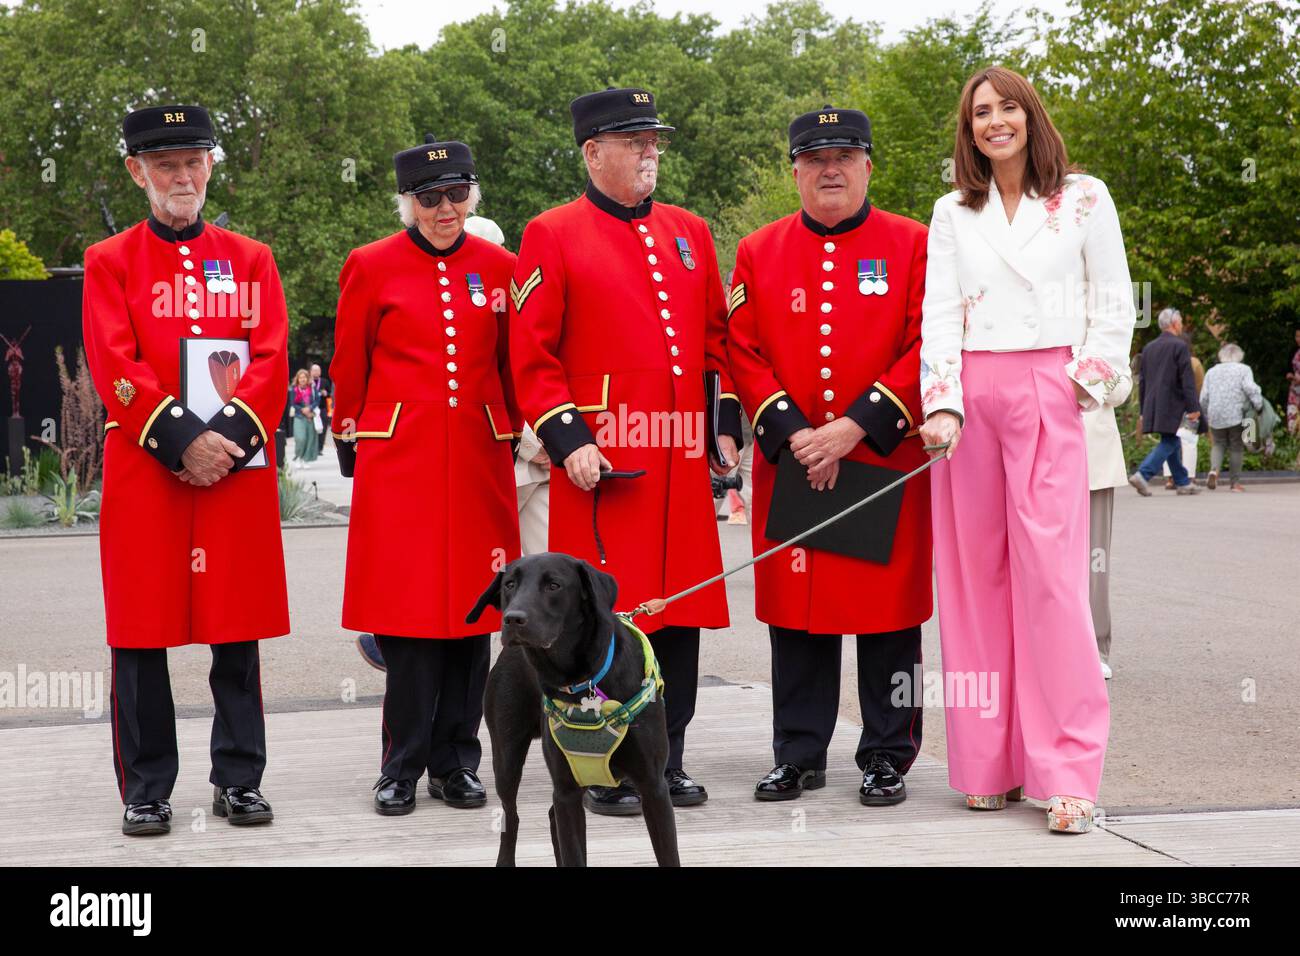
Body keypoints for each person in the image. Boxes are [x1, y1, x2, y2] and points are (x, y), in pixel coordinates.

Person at [510, 86, 742, 816]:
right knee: (610, 621)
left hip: (678, 464)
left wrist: (722, 423)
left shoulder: (690, 230)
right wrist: (568, 437)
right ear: (592, 152)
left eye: (654, 140)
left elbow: (714, 342)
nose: (651, 152)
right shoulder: (551, 232)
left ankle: (663, 760)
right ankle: (601, 765)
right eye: (635, 140)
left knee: (681, 619)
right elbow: (532, 353)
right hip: (607, 466)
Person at [919, 67, 1135, 833]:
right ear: (968, 128)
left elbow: (1114, 299)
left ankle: (1069, 771)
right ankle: (987, 763)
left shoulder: (1084, 196)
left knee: (1052, 583)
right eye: (980, 112)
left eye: (1007, 107)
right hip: (970, 401)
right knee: (974, 581)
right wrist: (940, 402)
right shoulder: (953, 211)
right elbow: (939, 312)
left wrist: (1088, 378)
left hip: (1052, 385)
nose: (994, 121)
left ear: (1029, 115)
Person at [82, 104, 289, 835]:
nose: (181, 175)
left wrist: (224, 439)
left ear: (210, 166)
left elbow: (270, 356)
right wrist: (180, 441)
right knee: (141, 636)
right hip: (148, 470)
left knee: (238, 630)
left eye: (192, 160)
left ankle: (240, 780)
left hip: (234, 470)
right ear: (137, 172)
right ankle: (146, 788)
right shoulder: (110, 261)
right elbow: (115, 364)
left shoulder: (252, 258)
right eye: (164, 164)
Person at [727, 107, 931, 806]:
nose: (831, 169)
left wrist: (853, 427)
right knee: (798, 617)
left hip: (879, 459)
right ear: (795, 172)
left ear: (869, 165)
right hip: (795, 460)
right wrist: (793, 432)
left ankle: (886, 755)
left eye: (845, 155)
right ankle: (800, 753)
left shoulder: (913, 244)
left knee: (889, 619)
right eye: (815, 159)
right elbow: (740, 350)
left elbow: (925, 345)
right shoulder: (757, 250)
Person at [331, 134, 521, 815]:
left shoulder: (501, 266)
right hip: (401, 459)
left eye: (457, 194)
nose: (446, 209)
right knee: (409, 624)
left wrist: (527, 429)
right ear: (407, 204)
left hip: (478, 455)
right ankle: (400, 766)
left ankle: (457, 763)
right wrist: (348, 432)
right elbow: (349, 358)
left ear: (473, 194)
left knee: (474, 617)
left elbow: (513, 362)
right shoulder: (371, 264)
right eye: (430, 198)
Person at [1082, 355, 1134, 680]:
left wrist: (1081, 378)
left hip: (1092, 454)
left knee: (1094, 559)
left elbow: (1122, 385)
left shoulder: (1104, 319)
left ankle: (1095, 647)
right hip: (1035, 452)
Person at [1130, 308, 1202, 496]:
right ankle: (1143, 474)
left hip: (1153, 403)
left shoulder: (1149, 348)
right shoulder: (1179, 346)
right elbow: (1186, 379)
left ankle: (1182, 481)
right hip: (1173, 403)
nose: (1182, 325)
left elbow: (1143, 380)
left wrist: (1143, 409)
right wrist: (1193, 407)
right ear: (1173, 323)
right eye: (1180, 321)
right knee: (1170, 441)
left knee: (1171, 440)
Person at [1200, 342, 1264, 491]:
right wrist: (1259, 405)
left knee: (1218, 443)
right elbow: (1250, 389)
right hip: (1236, 414)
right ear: (1239, 356)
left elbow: (1204, 397)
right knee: (1236, 446)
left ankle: (1214, 471)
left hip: (1215, 414)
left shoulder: (1211, 372)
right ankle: (1235, 483)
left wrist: (1205, 412)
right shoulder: (1244, 370)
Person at [288, 368, 320, 466]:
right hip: (299, 416)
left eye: (304, 377)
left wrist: (310, 408)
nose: (302, 379)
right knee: (300, 438)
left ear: (307, 378)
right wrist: (303, 410)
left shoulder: (313, 389)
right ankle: (298, 457)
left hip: (310, 416)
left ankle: (305, 459)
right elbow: (292, 403)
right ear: (297, 379)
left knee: (309, 439)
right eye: (300, 377)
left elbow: (317, 400)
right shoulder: (293, 389)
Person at [311, 363, 332, 454]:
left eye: (317, 370)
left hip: (322, 408)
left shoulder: (325, 381)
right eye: (314, 370)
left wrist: (326, 393)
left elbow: (330, 394)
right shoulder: (308, 381)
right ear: (310, 372)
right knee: (312, 429)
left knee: (322, 428)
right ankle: (312, 448)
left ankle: (320, 448)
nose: (316, 372)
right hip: (311, 408)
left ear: (320, 372)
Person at [1286, 328, 1300, 435]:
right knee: (1293, 415)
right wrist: (1290, 375)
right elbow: (1288, 370)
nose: (1298, 339)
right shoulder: (1293, 351)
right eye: (1297, 336)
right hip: (1294, 391)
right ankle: (1294, 442)